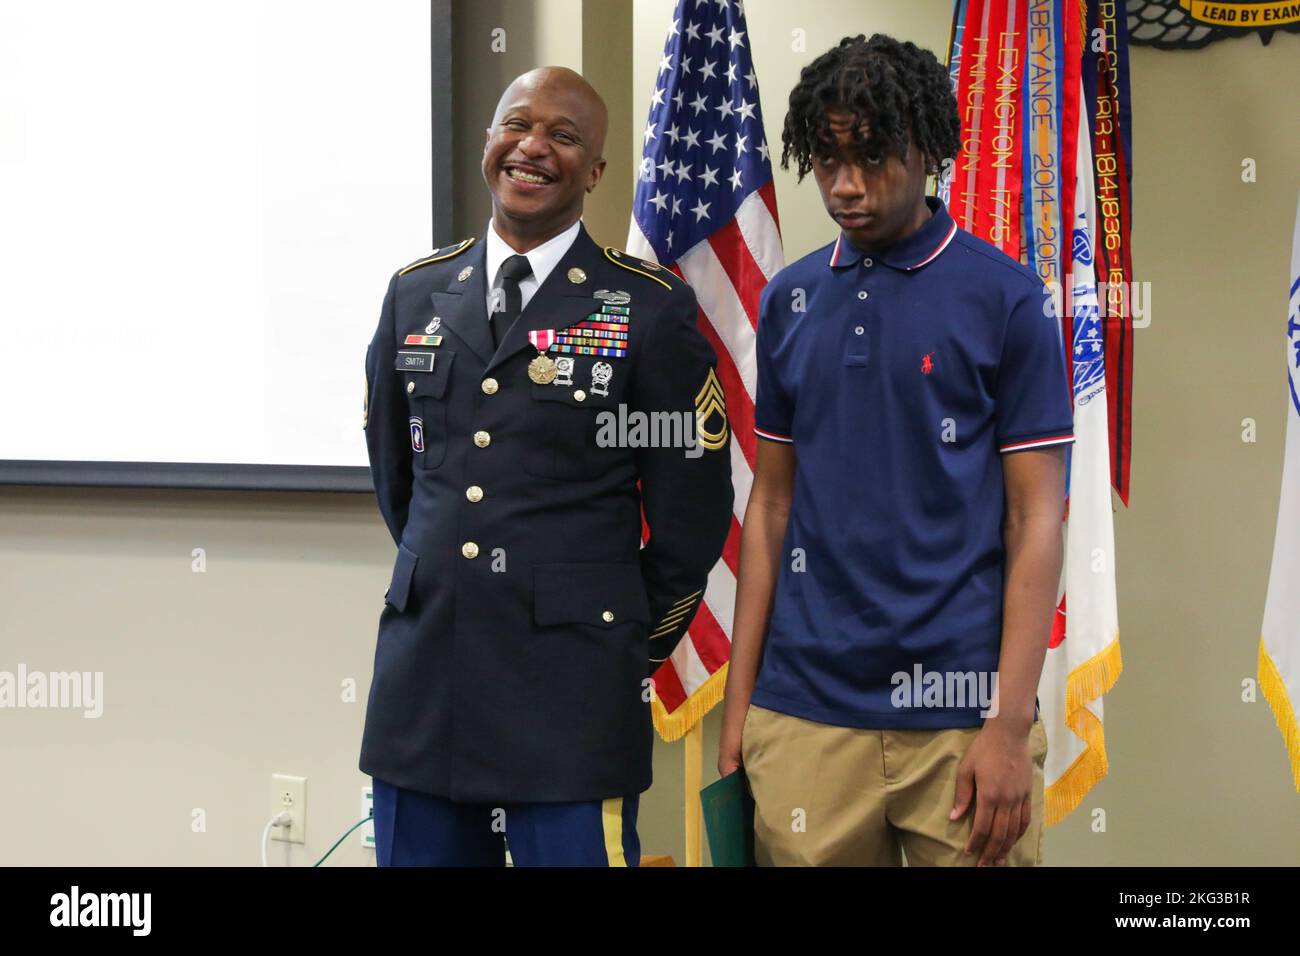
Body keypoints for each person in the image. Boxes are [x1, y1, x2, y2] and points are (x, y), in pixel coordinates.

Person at [360, 66, 733, 866]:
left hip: (572, 698)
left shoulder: (650, 308)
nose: (532, 147)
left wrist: (610, 642)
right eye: (515, 126)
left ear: (595, 171)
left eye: (562, 136)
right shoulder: (415, 293)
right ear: (489, 144)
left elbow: (690, 522)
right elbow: (401, 482)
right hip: (425, 690)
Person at [718, 34, 1074, 867]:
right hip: (804, 714)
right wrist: (741, 709)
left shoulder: (1006, 298)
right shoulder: (789, 300)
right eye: (828, 158)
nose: (844, 185)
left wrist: (1010, 725)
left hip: (962, 716)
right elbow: (769, 507)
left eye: (872, 157)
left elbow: (1036, 521)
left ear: (929, 149)